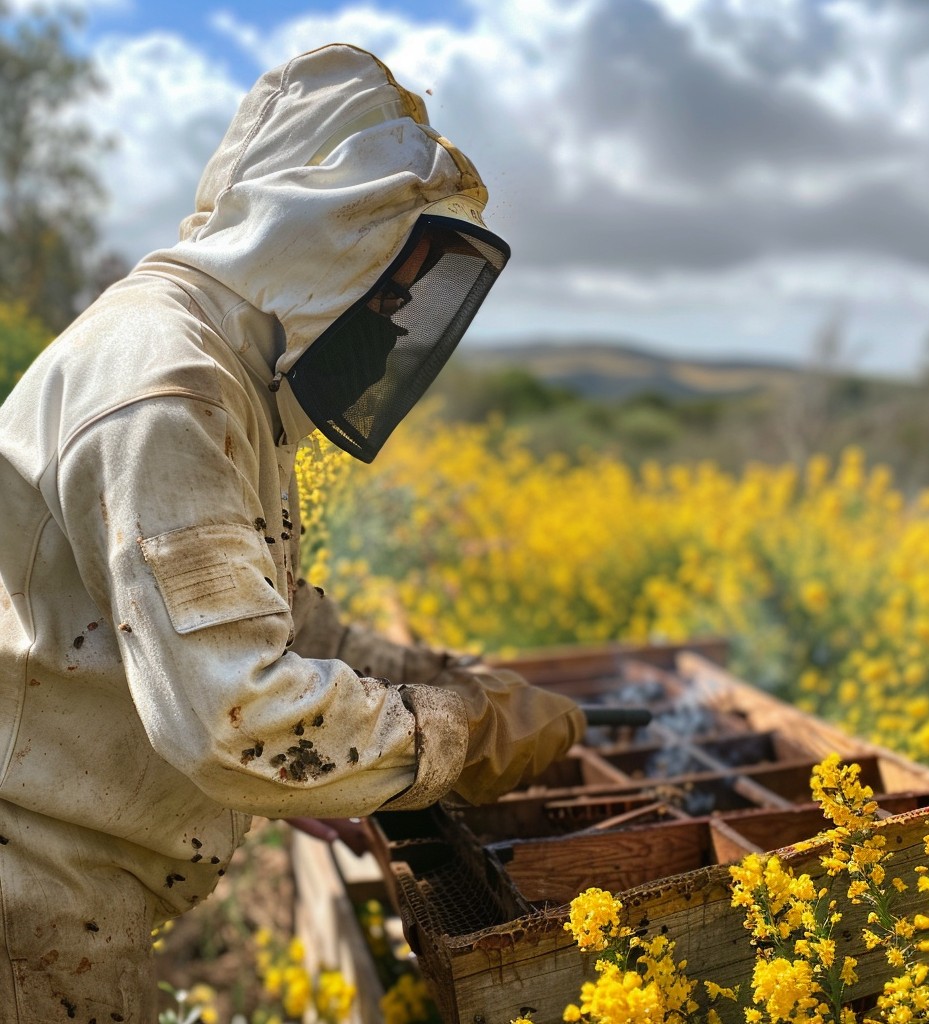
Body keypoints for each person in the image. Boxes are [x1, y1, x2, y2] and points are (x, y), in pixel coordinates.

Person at [0, 43, 585, 1022]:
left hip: (67, 882)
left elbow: (273, 619)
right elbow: (238, 715)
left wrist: (431, 673)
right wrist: (460, 732)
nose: (394, 320)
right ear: (328, 237)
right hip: (29, 894)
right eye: (392, 286)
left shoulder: (223, 374)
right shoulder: (166, 390)